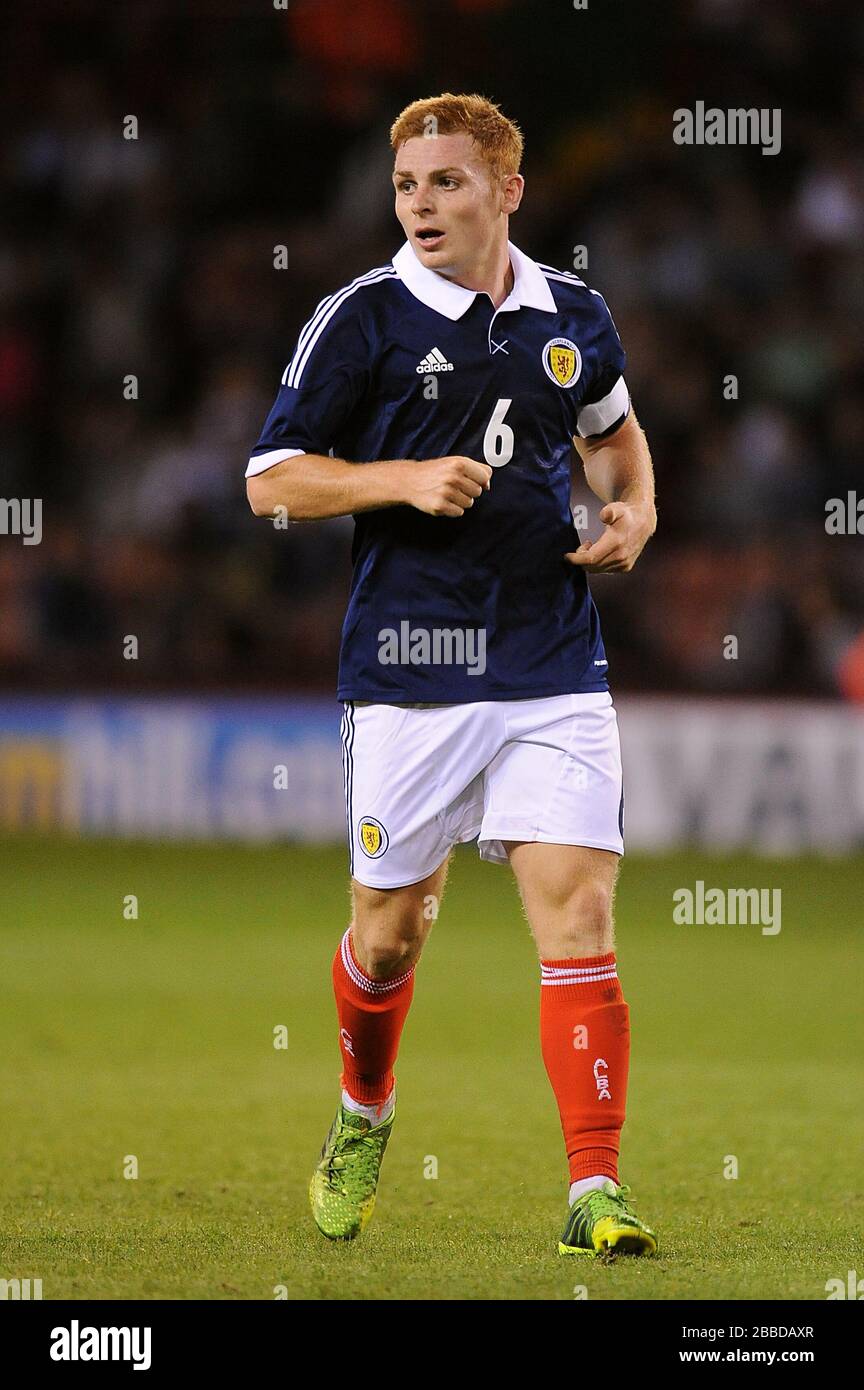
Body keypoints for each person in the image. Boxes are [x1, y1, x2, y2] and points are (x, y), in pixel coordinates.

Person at [246, 92, 657, 1257]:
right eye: (408, 187)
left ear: (507, 190)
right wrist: (401, 479)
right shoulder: (362, 318)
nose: (423, 204)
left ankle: (594, 1190)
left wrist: (638, 508)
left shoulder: (572, 313)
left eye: (448, 183)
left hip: (551, 659)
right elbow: (271, 479)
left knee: (577, 909)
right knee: (387, 936)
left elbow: (614, 435)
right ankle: (364, 1113)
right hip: (410, 670)